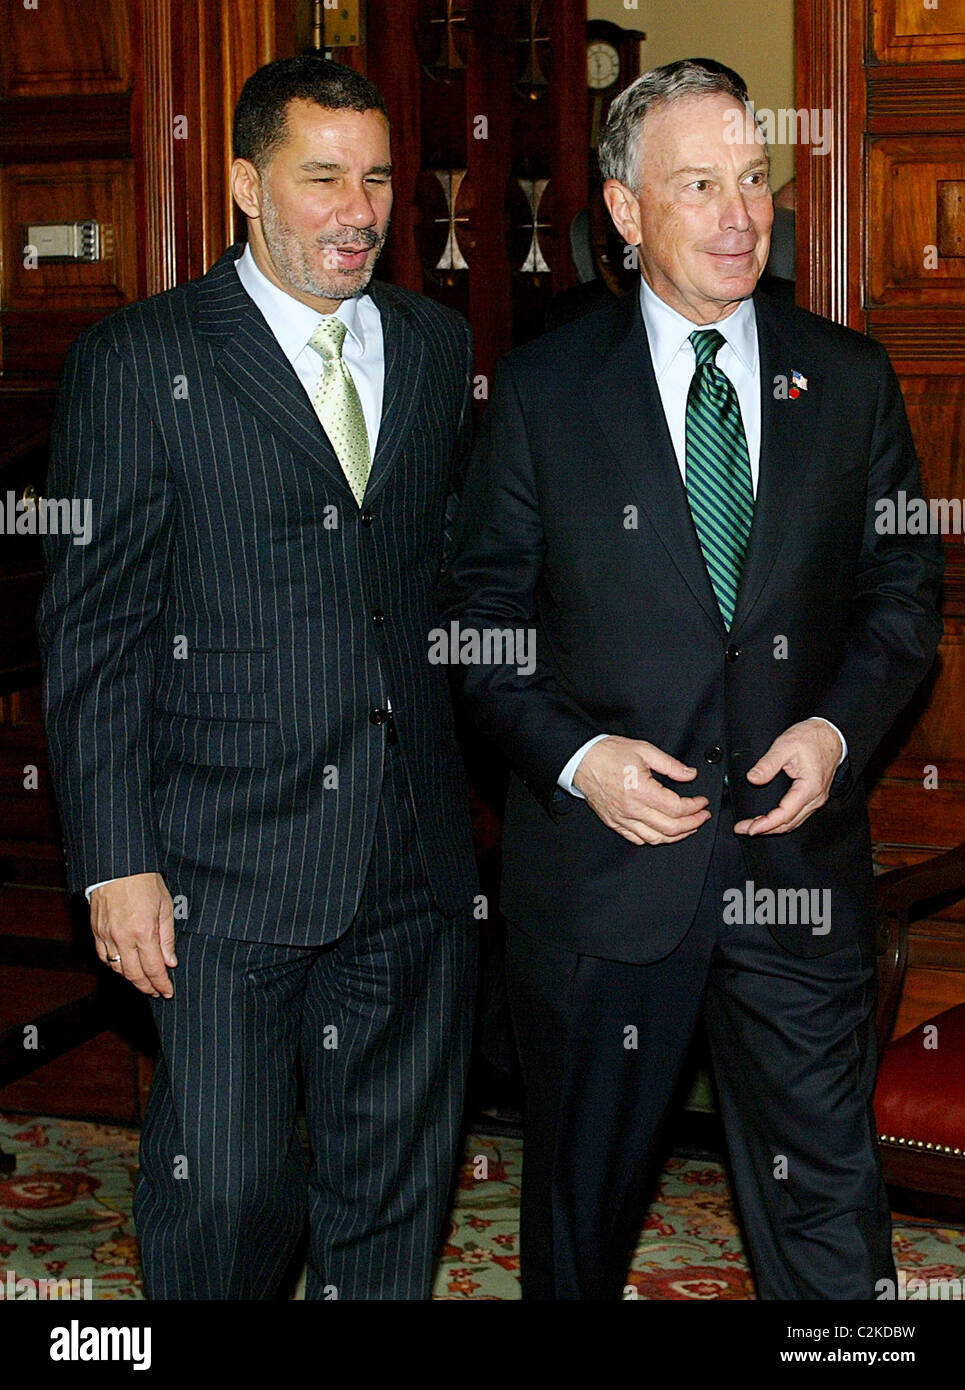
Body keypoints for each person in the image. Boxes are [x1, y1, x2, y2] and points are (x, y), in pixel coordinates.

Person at [440, 59, 943, 1300]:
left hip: (794, 872)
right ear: (622, 210)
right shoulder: (544, 393)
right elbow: (475, 623)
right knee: (580, 1218)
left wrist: (833, 731)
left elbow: (900, 595)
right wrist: (577, 758)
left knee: (828, 1205)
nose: (738, 216)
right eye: (700, 185)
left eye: (754, 180)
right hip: (607, 887)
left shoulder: (848, 378)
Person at [38, 55, 478, 1301]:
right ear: (242, 182)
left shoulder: (436, 348)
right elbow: (93, 629)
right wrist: (114, 855)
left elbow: (438, 583)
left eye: (379, 178)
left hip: (408, 854)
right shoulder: (142, 357)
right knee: (224, 1191)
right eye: (322, 177)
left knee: (392, 1191)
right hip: (218, 867)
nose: (359, 210)